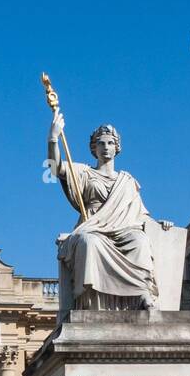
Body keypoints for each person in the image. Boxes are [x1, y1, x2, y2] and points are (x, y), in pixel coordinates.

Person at [47, 111, 169, 310]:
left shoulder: (127, 181)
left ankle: (142, 295)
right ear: (94, 148)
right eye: (101, 143)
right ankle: (90, 303)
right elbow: (54, 168)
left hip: (125, 228)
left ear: (117, 147)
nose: (106, 147)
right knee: (89, 241)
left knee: (140, 241)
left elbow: (140, 214)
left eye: (110, 143)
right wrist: (53, 138)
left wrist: (159, 224)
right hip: (94, 227)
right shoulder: (84, 172)